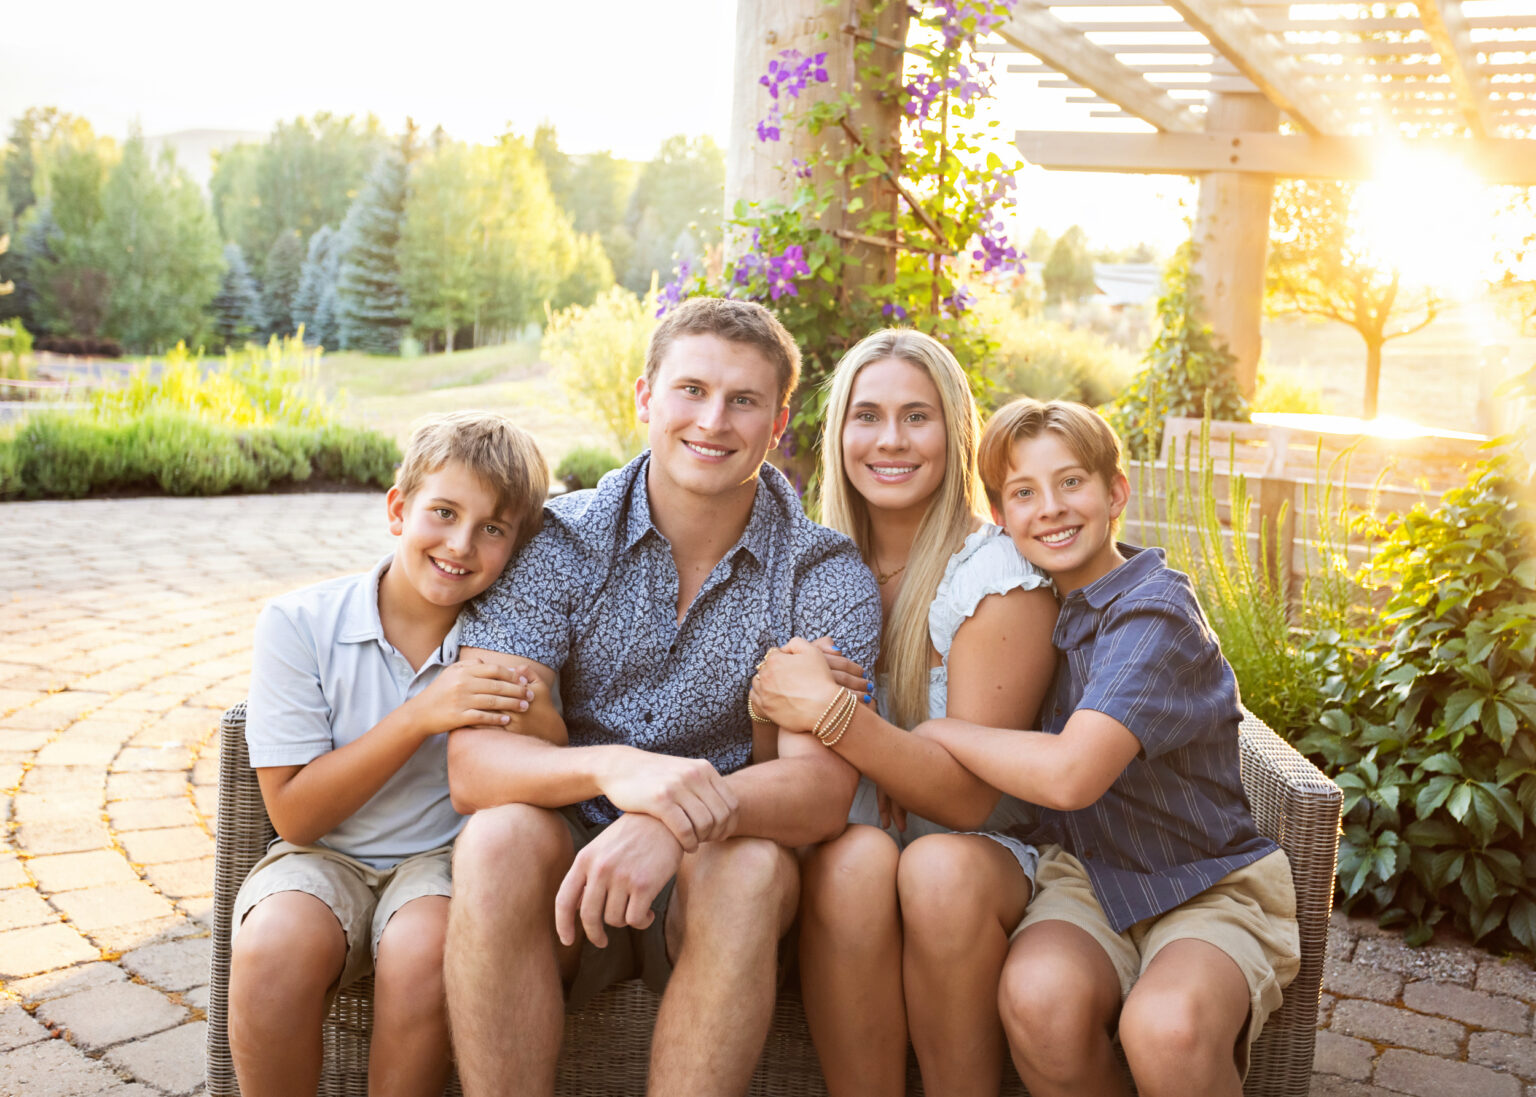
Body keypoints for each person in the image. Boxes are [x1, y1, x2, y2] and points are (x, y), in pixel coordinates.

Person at [443, 296, 882, 1097]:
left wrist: (668, 824)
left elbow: (818, 789)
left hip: (722, 878)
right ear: (646, 397)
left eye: (743, 400)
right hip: (569, 852)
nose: (713, 420)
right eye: (691, 390)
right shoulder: (558, 542)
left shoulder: (823, 574)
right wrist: (619, 772)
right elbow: (476, 764)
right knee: (496, 839)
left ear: (777, 423)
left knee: (745, 870)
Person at [919, 398, 1300, 1097]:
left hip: (1204, 882)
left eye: (1072, 482)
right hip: (1088, 878)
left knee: (1166, 1027)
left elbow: (1070, 775)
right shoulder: (1039, 607)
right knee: (1039, 1000)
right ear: (1000, 518)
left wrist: (943, 731)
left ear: (1115, 492)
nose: (1052, 509)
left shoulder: (1152, 611)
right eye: (1023, 493)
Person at [748, 329, 1058, 1097]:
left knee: (934, 866)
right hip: (843, 840)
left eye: (916, 417)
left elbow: (966, 797)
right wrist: (769, 702)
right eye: (868, 415)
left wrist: (835, 716)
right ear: (838, 433)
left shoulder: (993, 577)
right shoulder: (813, 564)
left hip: (974, 849)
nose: (891, 439)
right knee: (857, 859)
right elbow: (770, 763)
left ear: (955, 433)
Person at [228, 411, 551, 1097]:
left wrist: (537, 709)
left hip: (441, 860)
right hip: (322, 853)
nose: (461, 544)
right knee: (272, 945)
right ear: (399, 509)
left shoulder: (507, 640)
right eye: (443, 511)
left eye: (493, 528)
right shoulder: (299, 624)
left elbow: (548, 754)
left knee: (426, 950)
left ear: (517, 545)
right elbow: (294, 816)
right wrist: (419, 717)